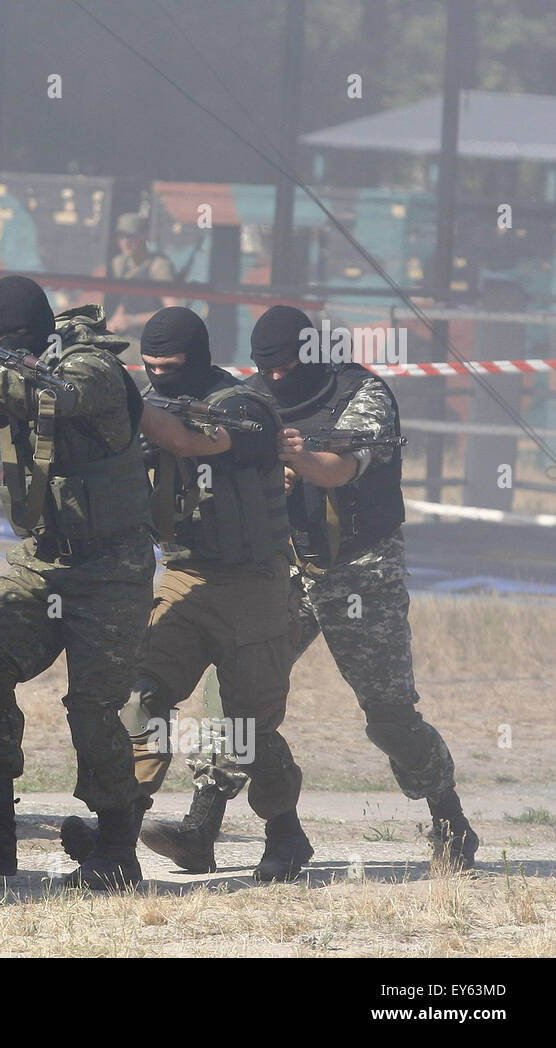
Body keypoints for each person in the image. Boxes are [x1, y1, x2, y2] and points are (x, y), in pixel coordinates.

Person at [146, 305, 478, 870]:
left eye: (287, 367)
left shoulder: (362, 395)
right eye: (265, 368)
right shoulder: (248, 402)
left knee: (389, 713)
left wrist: (301, 459)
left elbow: (342, 468)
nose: (276, 379)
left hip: (362, 569)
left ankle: (448, 816)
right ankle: (204, 824)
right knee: (237, 696)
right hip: (284, 568)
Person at [64, 306, 313, 882]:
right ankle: (118, 841)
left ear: (197, 361)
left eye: (170, 367)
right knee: (142, 697)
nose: (158, 377)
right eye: (147, 368)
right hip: (186, 575)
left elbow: (184, 440)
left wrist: (124, 400)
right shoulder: (161, 406)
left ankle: (285, 833)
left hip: (256, 587)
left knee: (246, 728)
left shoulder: (246, 409)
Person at [0, 277, 154, 890]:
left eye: (15, 337)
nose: (5, 346)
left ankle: (114, 851)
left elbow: (53, 396)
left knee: (94, 708)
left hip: (113, 569)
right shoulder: (11, 368)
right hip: (42, 558)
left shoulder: (93, 366)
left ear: (41, 329)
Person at [106, 213, 179, 343]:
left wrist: (133, 320)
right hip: (127, 336)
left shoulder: (159, 266)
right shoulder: (119, 263)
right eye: (120, 237)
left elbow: (173, 312)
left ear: (145, 236)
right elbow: (126, 300)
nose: (125, 242)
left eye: (131, 236)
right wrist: (115, 321)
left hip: (155, 340)